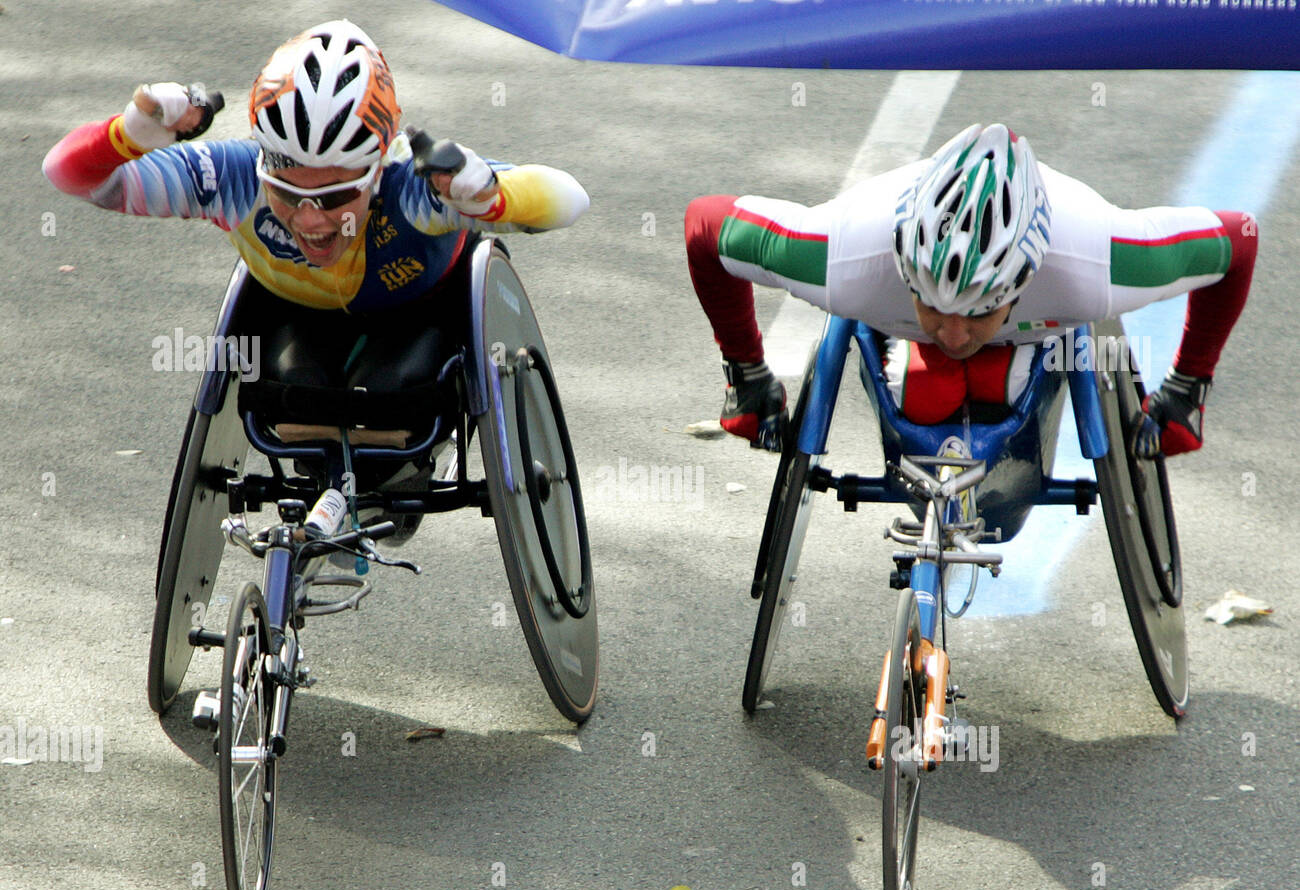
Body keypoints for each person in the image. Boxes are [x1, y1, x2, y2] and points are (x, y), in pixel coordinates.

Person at [43, 19, 589, 531]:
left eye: (334, 196)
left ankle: (397, 473)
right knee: (294, 397)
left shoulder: (417, 184)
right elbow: (68, 174)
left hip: (419, 317)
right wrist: (129, 132)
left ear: (377, 168)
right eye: (287, 194)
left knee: (391, 396)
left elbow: (570, 200)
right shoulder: (233, 178)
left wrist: (495, 199)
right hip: (298, 317)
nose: (311, 220)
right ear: (264, 164)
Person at [685, 123, 1256, 457]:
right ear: (904, 269)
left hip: (1048, 309)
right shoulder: (842, 256)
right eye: (932, 304)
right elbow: (704, 225)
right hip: (885, 280)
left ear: (1027, 279)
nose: (953, 332)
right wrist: (748, 374)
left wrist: (1187, 387)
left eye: (980, 312)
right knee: (924, 392)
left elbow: (1240, 238)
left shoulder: (1097, 263)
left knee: (987, 382)